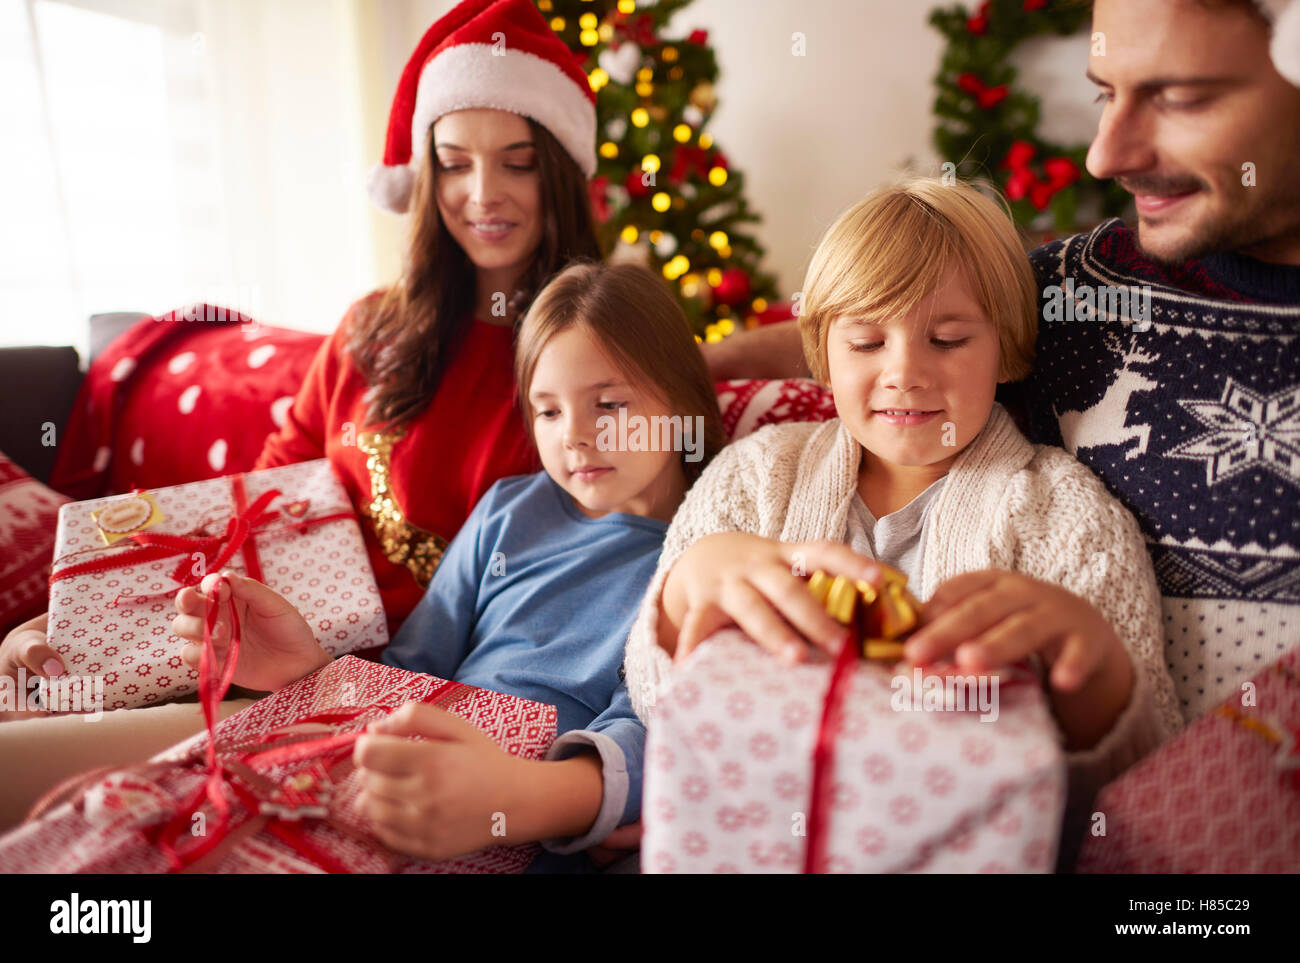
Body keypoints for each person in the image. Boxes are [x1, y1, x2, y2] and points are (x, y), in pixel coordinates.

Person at [0, 0, 603, 824]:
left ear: (561, 171)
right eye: (454, 162)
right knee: (25, 702)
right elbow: (252, 506)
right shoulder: (369, 330)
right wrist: (83, 607)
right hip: (238, 652)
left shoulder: (590, 366)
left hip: (371, 708)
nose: (482, 193)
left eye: (519, 161)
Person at [700, 0, 1300, 723]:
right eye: (1105, 93)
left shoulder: (1062, 513)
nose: (1105, 156)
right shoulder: (1081, 290)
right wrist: (652, 382)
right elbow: (881, 313)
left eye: (1180, 98)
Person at [623, 178, 1185, 864]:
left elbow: (1145, 777)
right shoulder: (753, 476)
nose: (905, 372)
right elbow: (655, 702)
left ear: (1007, 347)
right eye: (865, 342)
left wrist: (1096, 671)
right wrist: (685, 592)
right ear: (821, 351)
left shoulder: (1066, 514)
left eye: (946, 339)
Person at [171, 261, 724, 871]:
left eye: (609, 404)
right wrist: (307, 674)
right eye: (548, 412)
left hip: (517, 822)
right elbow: (413, 673)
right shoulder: (509, 512)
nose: (576, 437)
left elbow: (646, 733)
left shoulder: (701, 554)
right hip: (400, 776)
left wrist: (527, 796)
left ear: (680, 396)